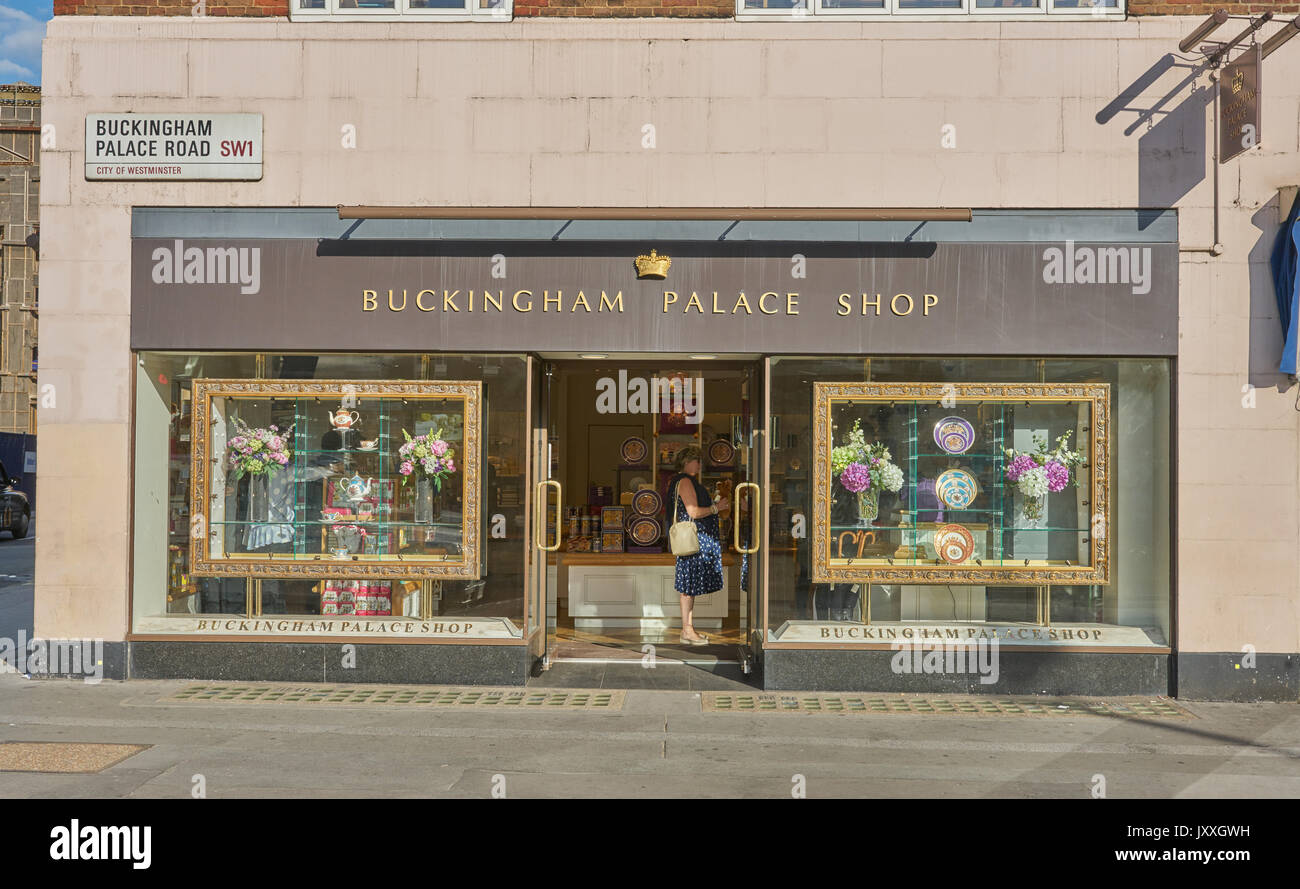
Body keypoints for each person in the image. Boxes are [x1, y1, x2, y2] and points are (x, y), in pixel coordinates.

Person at [667, 446, 729, 645]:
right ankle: (687, 629)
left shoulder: (680, 480)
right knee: (688, 587)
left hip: (693, 540)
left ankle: (688, 629)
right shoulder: (685, 481)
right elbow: (693, 512)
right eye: (697, 461)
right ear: (687, 462)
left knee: (690, 586)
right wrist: (715, 508)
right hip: (693, 540)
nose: (700, 465)